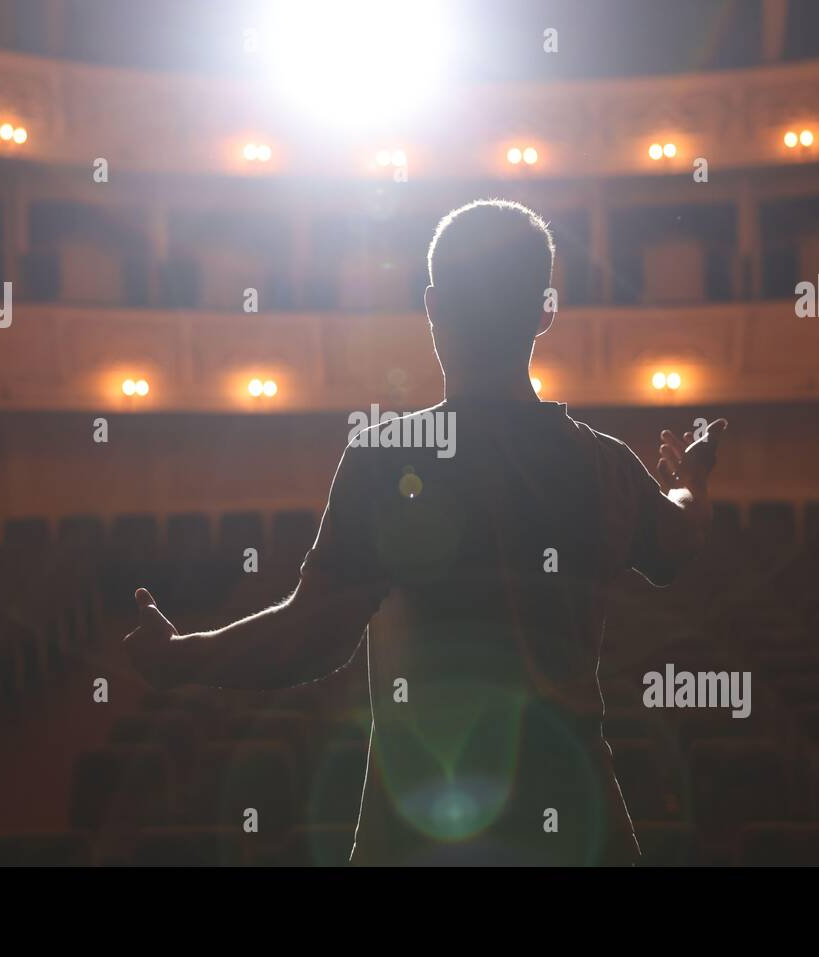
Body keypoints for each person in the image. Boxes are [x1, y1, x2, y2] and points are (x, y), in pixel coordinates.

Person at [124, 198, 727, 865]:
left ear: (434, 306)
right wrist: (691, 479)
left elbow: (316, 637)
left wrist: (182, 654)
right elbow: (679, 543)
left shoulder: (390, 457)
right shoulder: (604, 464)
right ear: (545, 309)